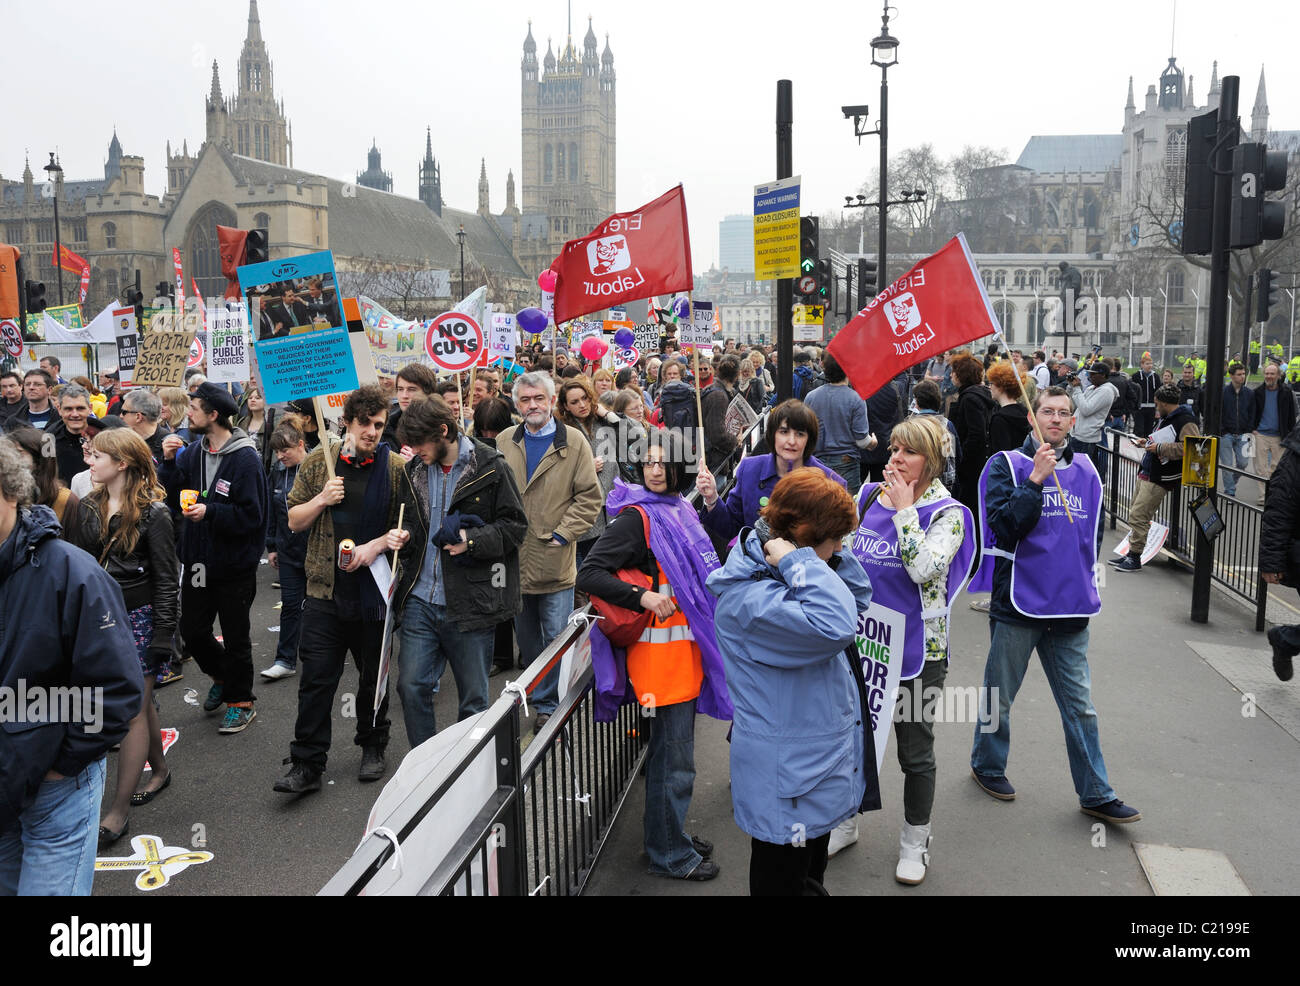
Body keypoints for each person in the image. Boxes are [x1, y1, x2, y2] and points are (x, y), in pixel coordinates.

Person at [969, 386, 1140, 824]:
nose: (1058, 419)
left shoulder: (1087, 469)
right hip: (1019, 604)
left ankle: (1096, 792)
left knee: (1080, 706)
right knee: (999, 696)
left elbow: (1090, 540)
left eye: (1065, 413)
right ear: (1032, 416)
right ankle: (987, 765)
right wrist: (1035, 482)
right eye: (1048, 411)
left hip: (1070, 608)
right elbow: (1005, 528)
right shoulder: (1006, 465)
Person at [707, 468, 877, 895]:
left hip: (808, 771)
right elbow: (838, 623)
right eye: (833, 540)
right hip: (787, 781)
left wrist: (819, 556)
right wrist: (800, 560)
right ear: (802, 535)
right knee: (783, 881)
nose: (839, 549)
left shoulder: (793, 573)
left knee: (808, 875)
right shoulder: (751, 601)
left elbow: (856, 596)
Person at [577, 433, 732, 881]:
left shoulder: (678, 509)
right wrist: (640, 596)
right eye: (647, 462)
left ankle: (669, 834)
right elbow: (590, 572)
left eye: (664, 463)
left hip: (683, 657)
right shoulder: (638, 518)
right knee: (673, 760)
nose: (655, 470)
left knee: (672, 757)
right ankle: (669, 852)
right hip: (661, 664)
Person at [833, 416, 975, 881]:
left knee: (915, 753)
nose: (895, 457)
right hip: (863, 644)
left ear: (930, 462)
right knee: (853, 741)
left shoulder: (950, 514)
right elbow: (845, 557)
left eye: (907, 451)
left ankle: (916, 842)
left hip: (919, 655)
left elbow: (922, 569)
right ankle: (846, 821)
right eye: (893, 448)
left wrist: (905, 511)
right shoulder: (869, 494)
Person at [0, 435, 141, 895]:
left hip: (54, 787)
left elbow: (116, 689)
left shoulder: (71, 572)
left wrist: (62, 765)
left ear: (9, 489)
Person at [272, 387, 412, 792]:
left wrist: (382, 544)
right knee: (316, 679)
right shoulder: (320, 462)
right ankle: (307, 764)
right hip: (324, 591)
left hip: (373, 591)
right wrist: (321, 499)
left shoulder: (395, 468)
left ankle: (372, 743)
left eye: (379, 425)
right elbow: (295, 520)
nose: (372, 431)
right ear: (347, 422)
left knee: (373, 675)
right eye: (364, 423)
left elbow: (407, 526)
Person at [392, 396, 526, 746]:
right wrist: (402, 537)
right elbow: (409, 523)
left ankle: (466, 769)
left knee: (473, 699)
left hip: (470, 600)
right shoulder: (414, 470)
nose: (414, 449)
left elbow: (515, 527)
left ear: (443, 430)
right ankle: (425, 763)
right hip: (421, 597)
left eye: (420, 441)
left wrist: (472, 540)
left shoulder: (491, 466)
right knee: (411, 685)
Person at [71, 429, 179, 847]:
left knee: (132, 708)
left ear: (122, 463)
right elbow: (80, 568)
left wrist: (164, 637)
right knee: (142, 701)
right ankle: (161, 770)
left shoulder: (155, 514)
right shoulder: (87, 507)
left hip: (142, 619)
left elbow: (168, 581)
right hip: (103, 620)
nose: (90, 462)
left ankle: (116, 813)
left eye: (98, 456)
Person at [159, 382, 268, 734]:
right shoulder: (192, 452)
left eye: (193, 407)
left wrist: (211, 513)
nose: (186, 413)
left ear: (213, 414)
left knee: (236, 636)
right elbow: (170, 493)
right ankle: (222, 675)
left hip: (234, 564)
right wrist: (168, 461)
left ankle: (241, 701)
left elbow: (253, 518)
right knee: (192, 631)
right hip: (198, 561)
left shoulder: (245, 458)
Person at [500, 372, 602, 730]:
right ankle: (541, 694)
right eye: (525, 400)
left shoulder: (574, 442)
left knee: (557, 638)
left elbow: (590, 497)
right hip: (515, 561)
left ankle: (550, 704)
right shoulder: (503, 441)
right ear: (516, 404)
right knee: (528, 642)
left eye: (538, 399)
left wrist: (562, 534)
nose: (532, 406)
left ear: (550, 400)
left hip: (555, 559)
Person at [697, 399, 845, 544]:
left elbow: (833, 545)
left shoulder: (831, 483)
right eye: (784, 432)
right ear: (773, 434)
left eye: (800, 434)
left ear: (809, 440)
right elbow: (731, 527)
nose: (791, 441)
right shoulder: (749, 469)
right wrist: (712, 499)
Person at [1111, 385, 1200, 573]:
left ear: (1165, 403)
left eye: (1158, 402)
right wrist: (1148, 442)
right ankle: (1131, 553)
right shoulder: (1167, 418)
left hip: (1161, 475)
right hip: (1150, 470)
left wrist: (1159, 448)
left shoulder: (1186, 421)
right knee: (1135, 513)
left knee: (1139, 515)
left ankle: (1135, 557)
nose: (1156, 405)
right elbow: (1162, 440)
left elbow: (1191, 448)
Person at [261, 416, 311, 680]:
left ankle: (318, 657)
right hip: (288, 551)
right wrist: (272, 546)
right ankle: (285, 659)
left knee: (317, 609)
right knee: (291, 605)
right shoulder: (277, 473)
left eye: (285, 450)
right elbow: (272, 512)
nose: (281, 456)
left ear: (300, 444)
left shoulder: (319, 466)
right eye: (277, 451)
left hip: (315, 551)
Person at [557, 375, 620, 562]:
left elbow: (633, 432)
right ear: (566, 406)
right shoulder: (562, 432)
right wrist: (584, 467)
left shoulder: (603, 422)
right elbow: (556, 471)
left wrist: (607, 413)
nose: (582, 405)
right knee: (589, 564)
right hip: (586, 511)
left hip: (612, 504)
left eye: (585, 398)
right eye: (574, 402)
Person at [803, 351, 875, 494]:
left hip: (817, 462)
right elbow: (862, 441)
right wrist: (873, 442)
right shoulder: (856, 399)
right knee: (847, 509)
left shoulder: (811, 397)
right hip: (846, 462)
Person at [1261, 419, 1300, 681]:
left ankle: (1285, 640)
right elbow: (1279, 507)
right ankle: (1284, 640)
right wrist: (1271, 561)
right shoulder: (1295, 457)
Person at [4, 425, 81, 543]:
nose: (12, 459)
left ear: (39, 459)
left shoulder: (66, 500)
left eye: (19, 453)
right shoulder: (6, 494)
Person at [948, 353, 996, 509]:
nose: (951, 375)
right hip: (977, 464)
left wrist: (962, 459)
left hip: (971, 466)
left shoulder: (970, 398)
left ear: (961, 375)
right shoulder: (977, 394)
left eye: (954, 371)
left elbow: (977, 434)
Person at [1252, 362, 1296, 504]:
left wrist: (1290, 434)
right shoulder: (1257, 392)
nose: (1269, 376)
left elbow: (1291, 414)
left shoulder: (1286, 392)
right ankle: (1263, 496)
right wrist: (1253, 429)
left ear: (1278, 375)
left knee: (1277, 468)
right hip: (1261, 435)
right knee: (1261, 468)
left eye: (1272, 374)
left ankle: (1272, 493)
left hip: (1280, 435)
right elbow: (1252, 412)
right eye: (1267, 373)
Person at [1219, 363, 1257, 499]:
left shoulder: (1249, 393)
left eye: (1243, 374)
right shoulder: (1223, 392)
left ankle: (1231, 483)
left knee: (1243, 463)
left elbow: (1253, 413)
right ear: (1231, 376)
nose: (1242, 377)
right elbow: (1218, 413)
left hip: (1244, 434)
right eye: (1239, 374)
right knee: (1227, 465)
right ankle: (1230, 492)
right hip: (1226, 434)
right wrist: (1222, 430)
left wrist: (1249, 430)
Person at [383, 363, 438, 455]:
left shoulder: (441, 428)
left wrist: (417, 462)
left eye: (411, 389)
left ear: (428, 393)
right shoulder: (386, 426)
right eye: (400, 389)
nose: (404, 396)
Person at [986, 361, 1032, 454]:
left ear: (1001, 387)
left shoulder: (1000, 418)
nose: (989, 387)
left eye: (991, 383)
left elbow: (1000, 455)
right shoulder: (1025, 412)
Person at [235, 384, 277, 475]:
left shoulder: (271, 423)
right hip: (243, 469)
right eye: (250, 398)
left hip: (263, 470)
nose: (253, 400)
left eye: (258, 398)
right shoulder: (242, 422)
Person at [120, 388, 169, 465]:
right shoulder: (122, 442)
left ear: (138, 417)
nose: (121, 416)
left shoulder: (168, 445)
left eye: (124, 412)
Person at [1131, 354, 1160, 438]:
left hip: (1151, 409)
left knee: (1149, 431)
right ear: (1142, 365)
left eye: (1151, 364)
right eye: (1147, 364)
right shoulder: (1136, 376)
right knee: (1139, 431)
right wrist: (1134, 408)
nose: (1149, 366)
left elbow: (1158, 393)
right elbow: (1132, 392)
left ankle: (1147, 449)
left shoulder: (1156, 377)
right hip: (1139, 409)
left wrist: (1157, 409)